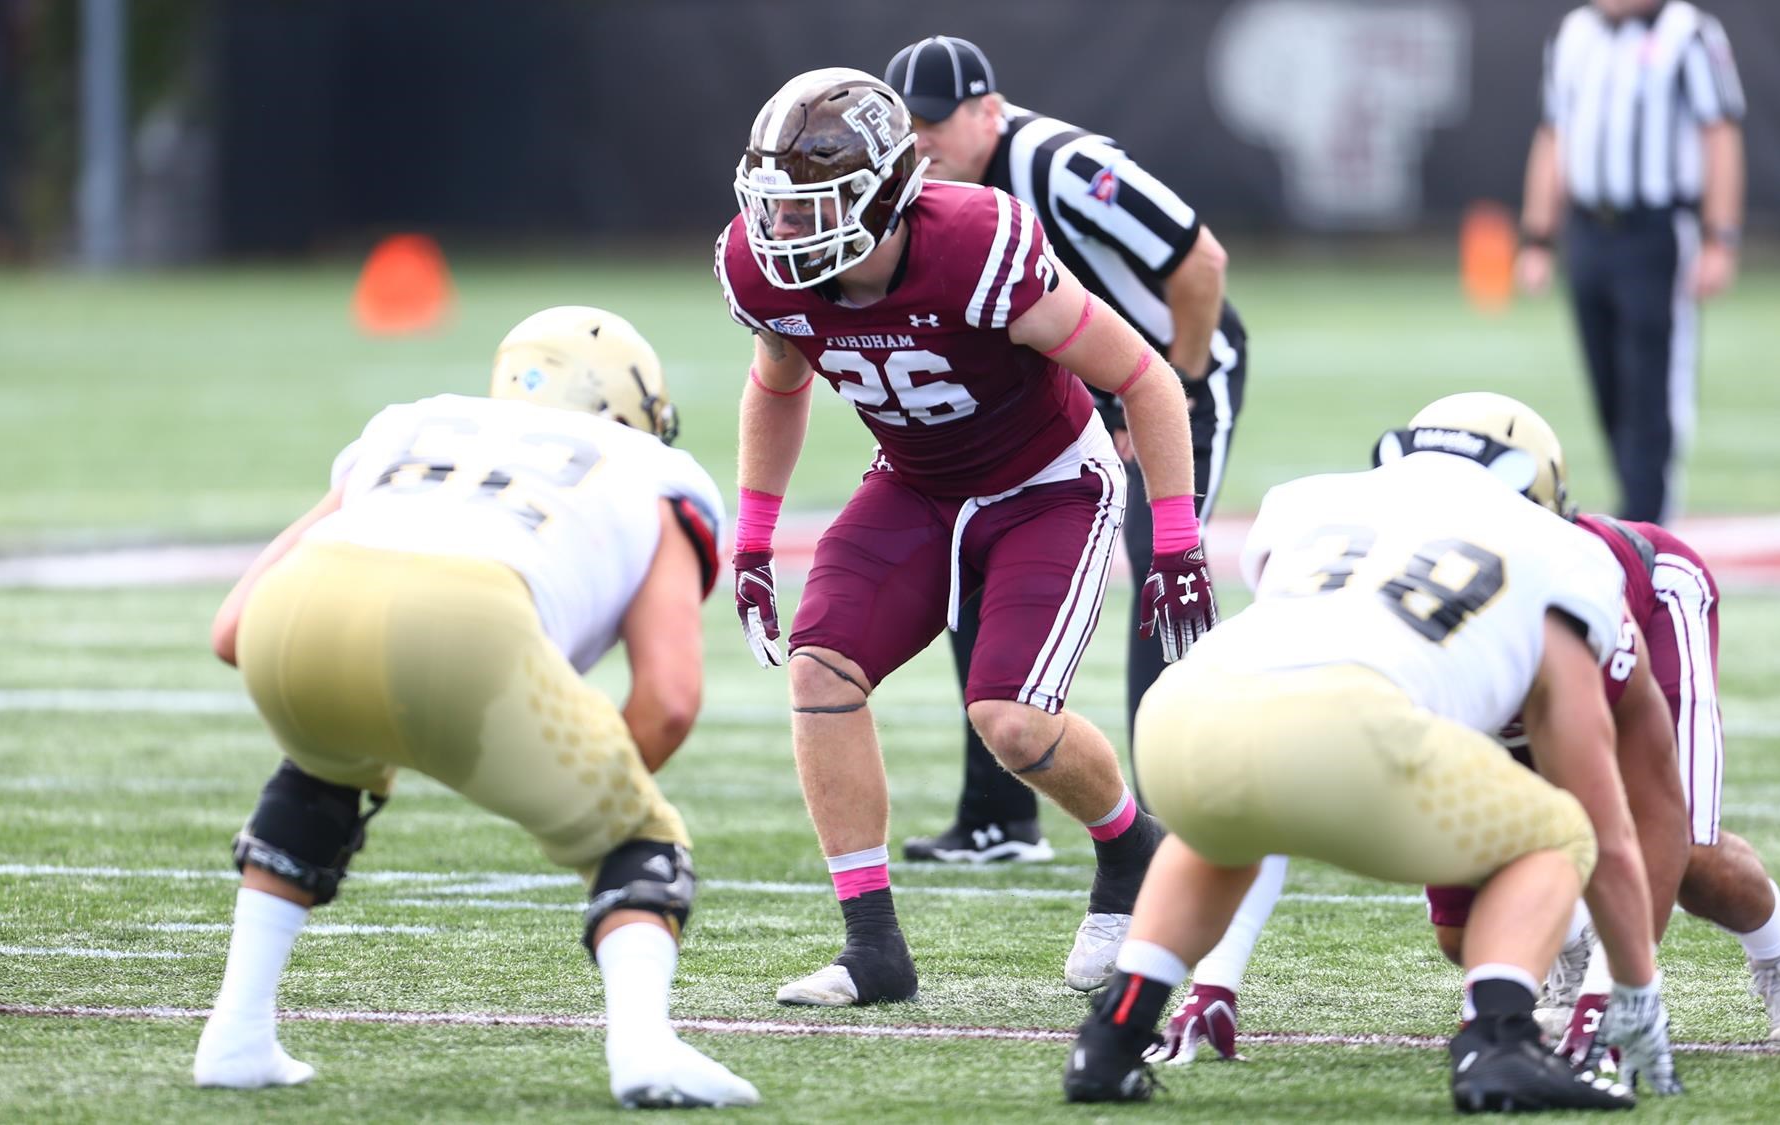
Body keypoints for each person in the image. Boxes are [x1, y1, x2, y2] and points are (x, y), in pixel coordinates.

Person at [715, 68, 1217, 1006]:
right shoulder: (762, 266)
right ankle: (873, 945)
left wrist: (1178, 540)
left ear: (884, 195)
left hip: (1047, 484)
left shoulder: (980, 244)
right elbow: (776, 383)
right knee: (820, 670)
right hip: (914, 481)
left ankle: (1129, 851)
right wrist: (751, 538)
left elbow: (1144, 378)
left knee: (1012, 720)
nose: (783, 232)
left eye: (809, 206)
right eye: (774, 208)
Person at [192, 307, 758, 1109]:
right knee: (642, 837)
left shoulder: (416, 424)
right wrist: (578, 810)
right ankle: (645, 1047)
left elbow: (230, 630)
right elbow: (668, 701)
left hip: (295, 611)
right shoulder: (653, 472)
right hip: (471, 623)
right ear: (632, 406)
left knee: (322, 767)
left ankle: (236, 1032)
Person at [1065, 394, 1682, 1111]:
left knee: (1223, 828)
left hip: (1183, 712)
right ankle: (1501, 1040)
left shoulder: (1311, 500)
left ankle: (1111, 1037)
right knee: (1562, 831)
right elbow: (1603, 816)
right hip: (1354, 721)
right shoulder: (1565, 551)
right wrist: (1636, 996)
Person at [1153, 503, 1780, 1064]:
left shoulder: (1565, 588)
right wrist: (1214, 980)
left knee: (1682, 848)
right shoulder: (1370, 613)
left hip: (1624, 638)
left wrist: (1609, 1002)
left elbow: (1639, 825)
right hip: (1485, 679)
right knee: (1462, 933)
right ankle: (1566, 940)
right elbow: (1271, 790)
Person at [880, 35, 1248, 865]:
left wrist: (1174, 391)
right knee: (972, 551)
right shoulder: (909, 186)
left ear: (989, 111)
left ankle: (1174, 813)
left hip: (1169, 371)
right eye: (908, 128)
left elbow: (1200, 262)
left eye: (935, 123)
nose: (921, 144)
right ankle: (997, 817)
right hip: (1056, 391)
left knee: (1165, 558)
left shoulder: (1061, 164)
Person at [1517, 0, 1746, 524]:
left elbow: (1721, 134)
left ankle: (1649, 518)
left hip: (1655, 230)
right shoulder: (1574, 34)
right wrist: (1537, 236)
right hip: (1589, 229)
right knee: (1606, 381)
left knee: (1651, 382)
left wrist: (1721, 237)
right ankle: (1636, 503)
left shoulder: (1689, 34)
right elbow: (1553, 133)